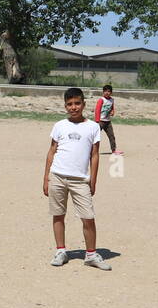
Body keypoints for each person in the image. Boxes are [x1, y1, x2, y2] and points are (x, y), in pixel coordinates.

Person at [43, 87, 110, 270]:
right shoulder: (59, 126)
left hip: (81, 180)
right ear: (65, 106)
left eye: (77, 103)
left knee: (88, 217)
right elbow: (51, 151)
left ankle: (90, 254)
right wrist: (46, 178)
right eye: (70, 104)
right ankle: (61, 251)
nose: (74, 107)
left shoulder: (93, 127)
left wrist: (93, 180)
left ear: (83, 104)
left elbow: (95, 155)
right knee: (58, 214)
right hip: (57, 176)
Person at [94, 84, 121, 154]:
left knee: (111, 136)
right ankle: (90, 149)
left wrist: (112, 112)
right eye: (105, 91)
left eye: (109, 91)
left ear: (111, 92)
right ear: (103, 92)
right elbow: (97, 110)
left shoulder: (112, 100)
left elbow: (112, 108)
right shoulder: (101, 100)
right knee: (95, 135)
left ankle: (114, 150)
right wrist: (97, 120)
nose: (107, 93)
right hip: (100, 121)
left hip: (108, 122)